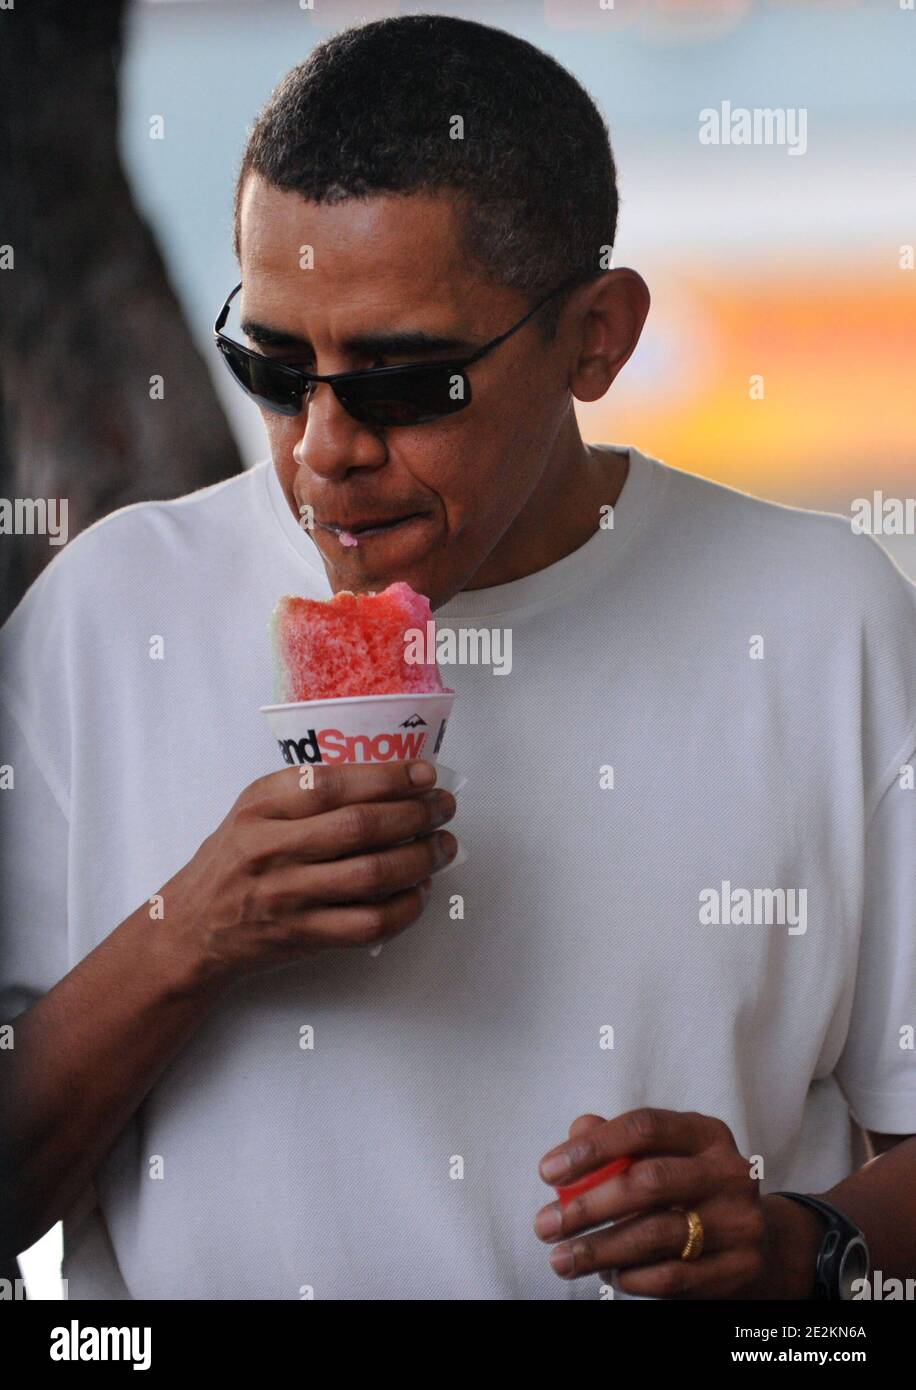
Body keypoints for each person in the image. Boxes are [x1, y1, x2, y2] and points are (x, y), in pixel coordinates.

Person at [1, 13, 914, 1302]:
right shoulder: (106, 613)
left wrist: (802, 1248)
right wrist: (188, 935)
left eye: (403, 380)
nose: (325, 448)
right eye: (272, 365)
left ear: (597, 335)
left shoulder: (824, 617)